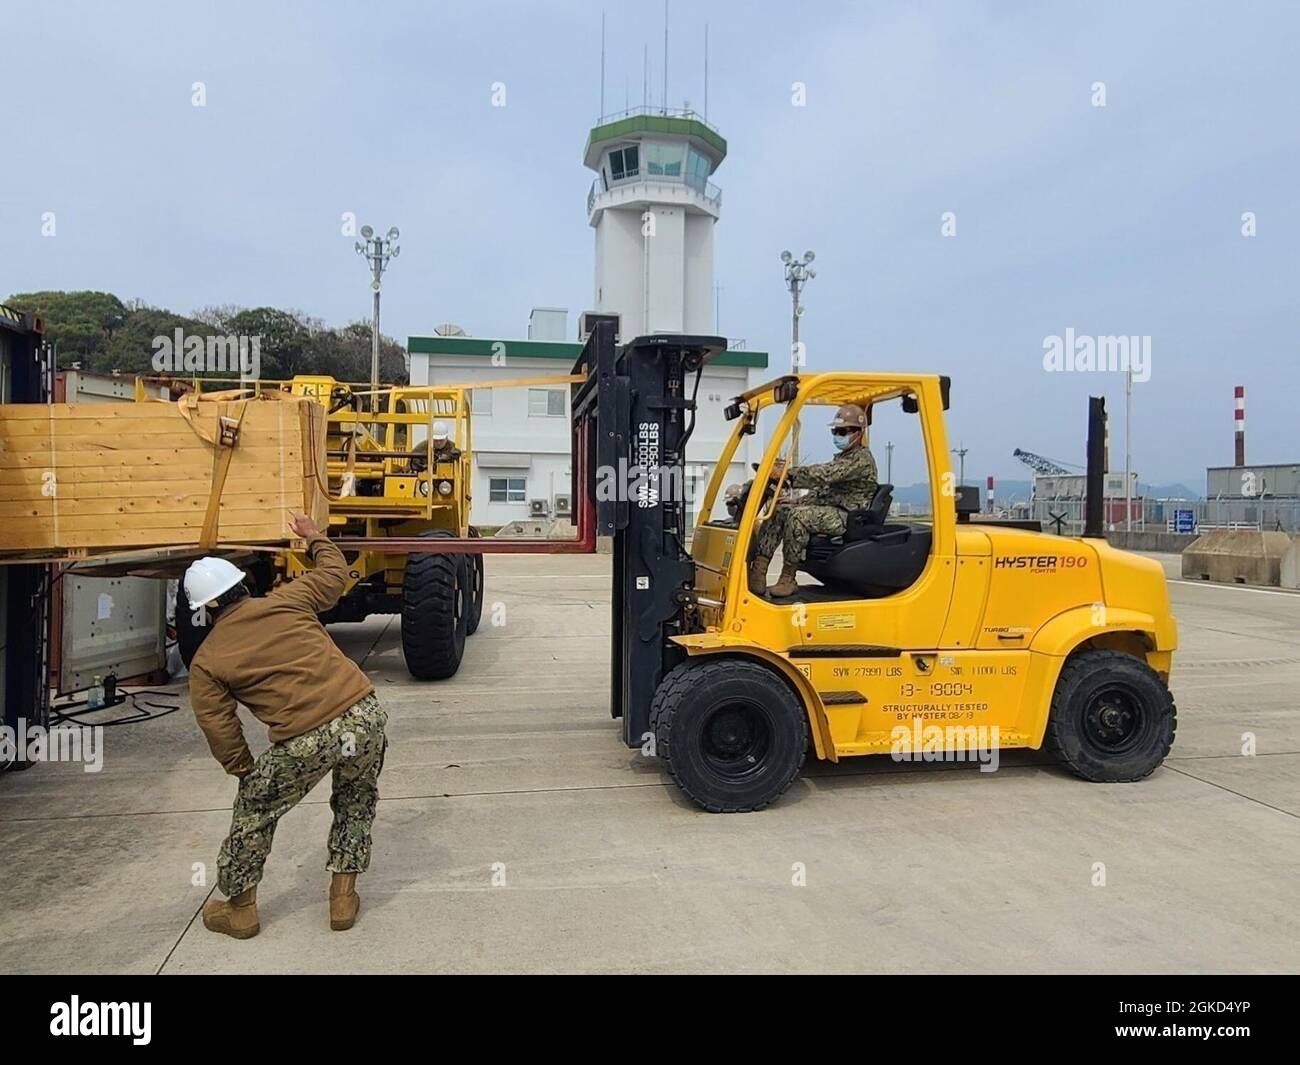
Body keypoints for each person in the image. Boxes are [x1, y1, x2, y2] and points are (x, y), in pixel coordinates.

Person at [183, 514, 387, 939]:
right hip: (363, 712)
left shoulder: (208, 661)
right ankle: (342, 900)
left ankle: (241, 910)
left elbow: (218, 725)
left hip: (306, 737)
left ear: (206, 609)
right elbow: (335, 573)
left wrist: (243, 770)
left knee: (254, 813)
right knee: (356, 797)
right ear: (243, 585)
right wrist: (314, 536)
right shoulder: (288, 600)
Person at [749, 404, 879, 597]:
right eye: (835, 430)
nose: (837, 435)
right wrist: (796, 501)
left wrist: (787, 475)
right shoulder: (844, 457)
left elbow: (824, 474)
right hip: (832, 509)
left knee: (798, 517)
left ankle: (788, 578)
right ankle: (759, 569)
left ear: (859, 433)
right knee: (781, 510)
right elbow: (824, 492)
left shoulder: (860, 460)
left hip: (849, 515)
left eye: (842, 431)